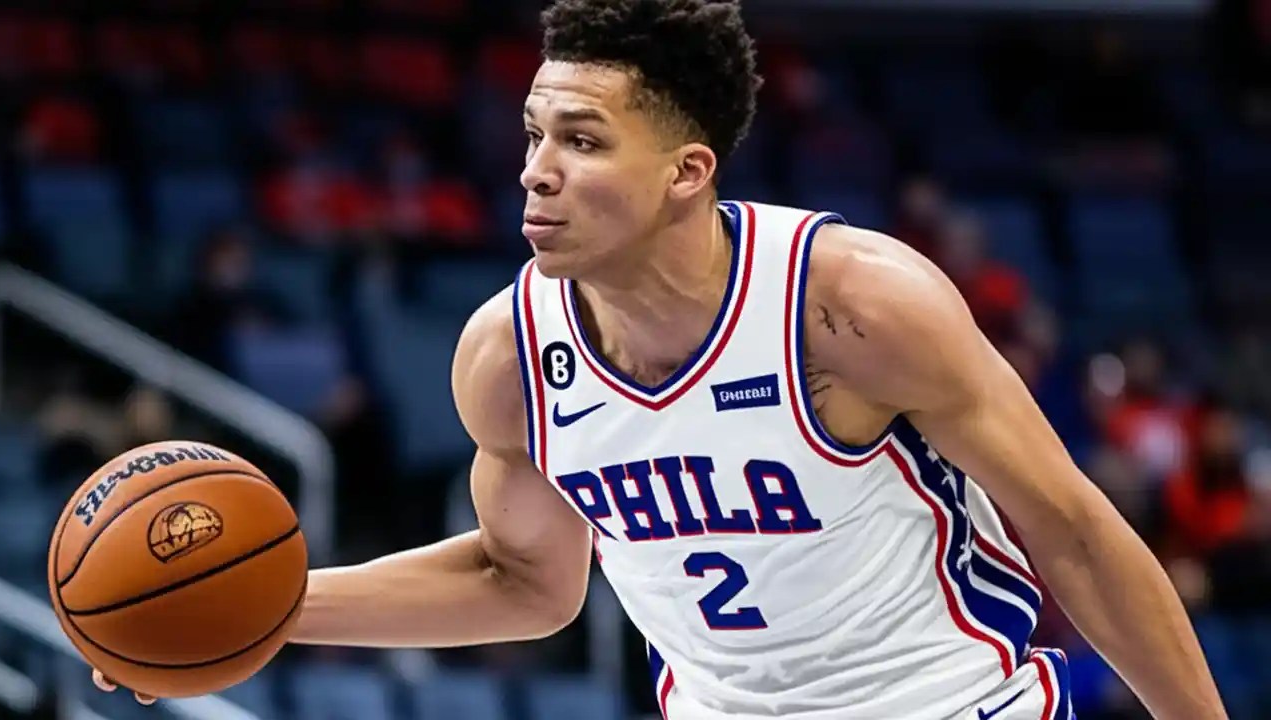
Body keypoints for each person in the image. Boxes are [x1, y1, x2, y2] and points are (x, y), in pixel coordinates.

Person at [97, 1, 1227, 717]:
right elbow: (524, 582)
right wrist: (255, 608)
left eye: (580, 140)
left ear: (687, 171)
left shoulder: (848, 306)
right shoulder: (507, 354)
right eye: (536, 131)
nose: (535, 167)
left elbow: (1072, 533)